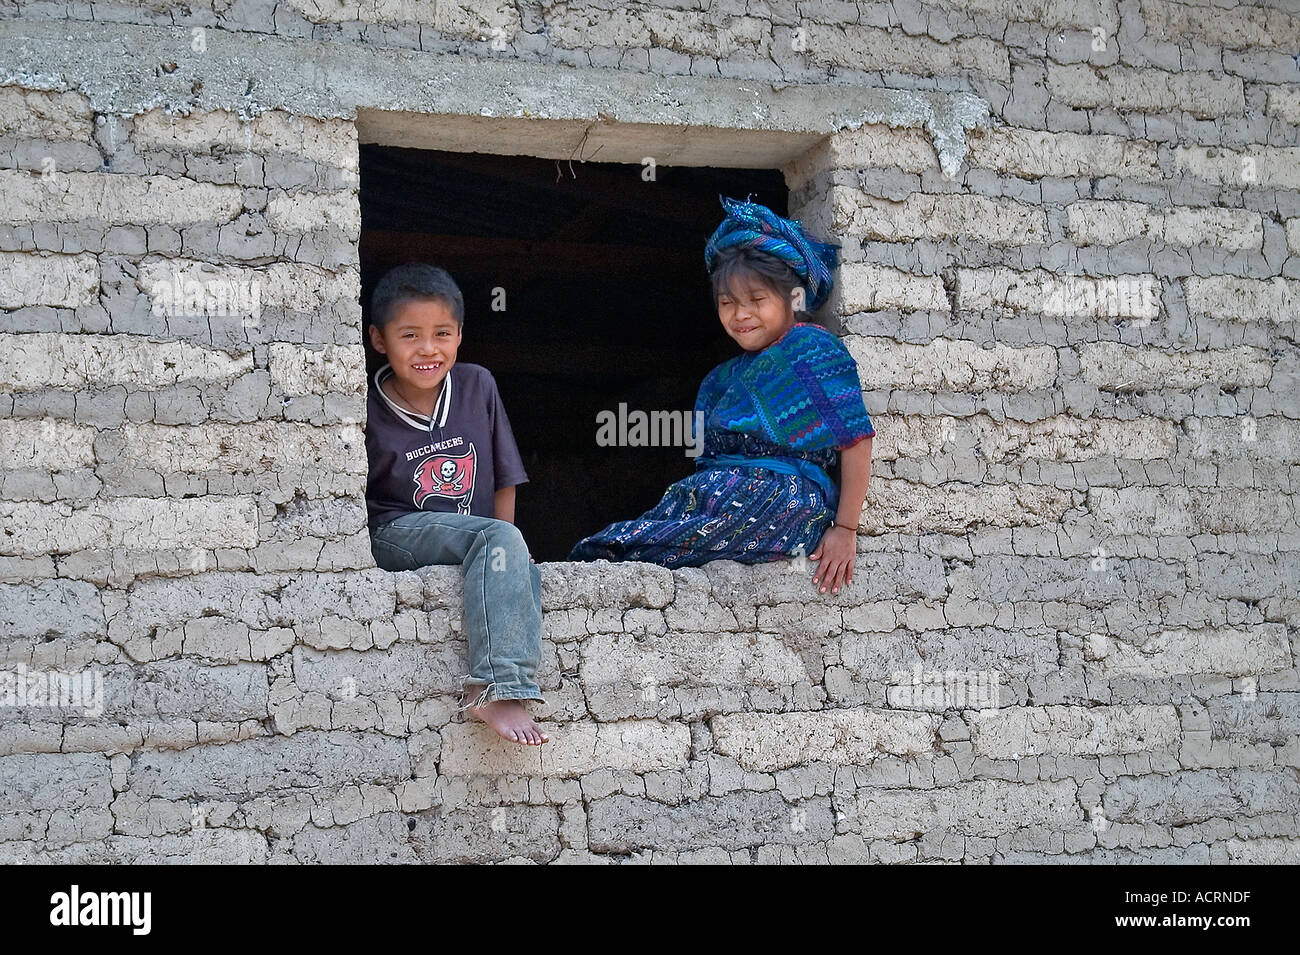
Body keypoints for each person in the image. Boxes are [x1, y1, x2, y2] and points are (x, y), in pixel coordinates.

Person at [569, 195, 875, 594]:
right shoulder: (719, 378)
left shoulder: (811, 351)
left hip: (789, 503)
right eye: (727, 303)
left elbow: (857, 440)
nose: (740, 314)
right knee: (648, 527)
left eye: (757, 301)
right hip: (719, 495)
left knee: (678, 530)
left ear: (793, 299)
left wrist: (846, 527)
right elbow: (705, 463)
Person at [364, 262, 548, 745]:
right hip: (395, 533)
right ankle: (496, 687)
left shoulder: (476, 386)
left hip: (474, 536)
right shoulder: (363, 406)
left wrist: (511, 550)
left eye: (442, 333)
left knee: (517, 562)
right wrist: (501, 540)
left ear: (460, 335)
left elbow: (505, 474)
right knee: (499, 540)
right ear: (380, 340)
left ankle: (502, 676)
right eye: (410, 336)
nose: (429, 349)